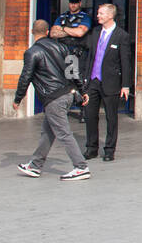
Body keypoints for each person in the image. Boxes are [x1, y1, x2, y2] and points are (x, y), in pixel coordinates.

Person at [15, 19, 90, 181]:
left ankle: (81, 167)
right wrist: (83, 90)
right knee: (47, 133)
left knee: (63, 134)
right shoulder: (62, 47)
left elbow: (25, 77)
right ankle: (35, 165)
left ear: (31, 32)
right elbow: (73, 70)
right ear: (47, 31)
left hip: (53, 98)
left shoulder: (31, 52)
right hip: (67, 94)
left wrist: (18, 98)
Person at [83, 3, 134, 162]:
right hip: (93, 81)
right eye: (98, 13)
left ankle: (109, 150)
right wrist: (85, 80)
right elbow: (90, 57)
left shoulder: (121, 35)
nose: (98, 16)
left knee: (111, 117)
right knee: (90, 116)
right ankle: (91, 148)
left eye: (101, 13)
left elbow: (126, 62)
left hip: (111, 82)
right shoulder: (95, 32)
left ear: (110, 16)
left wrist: (125, 85)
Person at [53, 0, 92, 118]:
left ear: (80, 3)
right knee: (65, 81)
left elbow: (80, 33)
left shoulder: (85, 17)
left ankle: (84, 110)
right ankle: (64, 108)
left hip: (79, 54)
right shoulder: (62, 17)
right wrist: (71, 31)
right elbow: (53, 33)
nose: (73, 5)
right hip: (64, 54)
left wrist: (63, 29)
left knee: (80, 81)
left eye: (76, 3)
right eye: (71, 2)